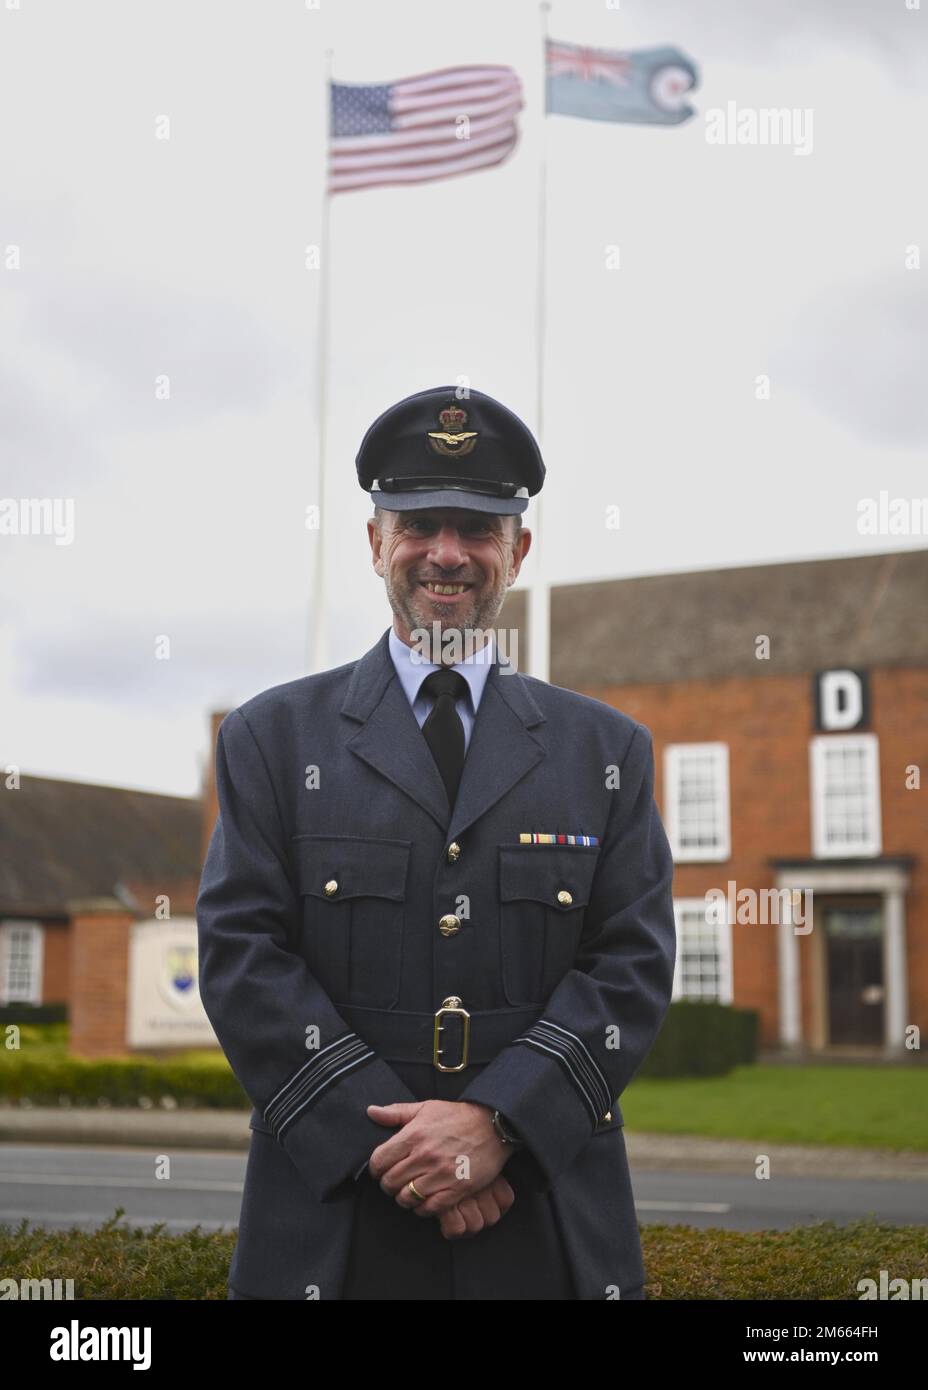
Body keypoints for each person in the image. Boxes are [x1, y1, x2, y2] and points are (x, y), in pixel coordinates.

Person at [196, 384, 676, 1300]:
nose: (447, 554)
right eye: (419, 523)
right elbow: (244, 961)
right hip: (333, 1230)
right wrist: (407, 1152)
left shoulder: (606, 751)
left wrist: (500, 1125)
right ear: (376, 541)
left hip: (541, 1224)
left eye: (478, 527)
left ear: (518, 549)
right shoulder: (271, 740)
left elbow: (632, 963)